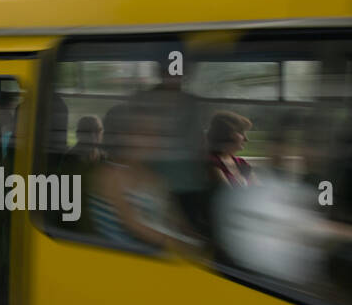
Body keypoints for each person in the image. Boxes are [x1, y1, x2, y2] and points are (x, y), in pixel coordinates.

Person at [89, 97, 201, 256]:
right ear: (123, 135)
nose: (153, 140)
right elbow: (134, 224)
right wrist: (185, 247)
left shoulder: (155, 177)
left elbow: (176, 220)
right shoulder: (110, 175)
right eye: (143, 132)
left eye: (157, 133)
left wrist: (195, 238)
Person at [206, 111, 256, 187]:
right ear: (226, 134)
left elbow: (260, 189)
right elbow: (228, 194)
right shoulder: (212, 163)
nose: (246, 139)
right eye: (241, 133)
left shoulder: (242, 163)